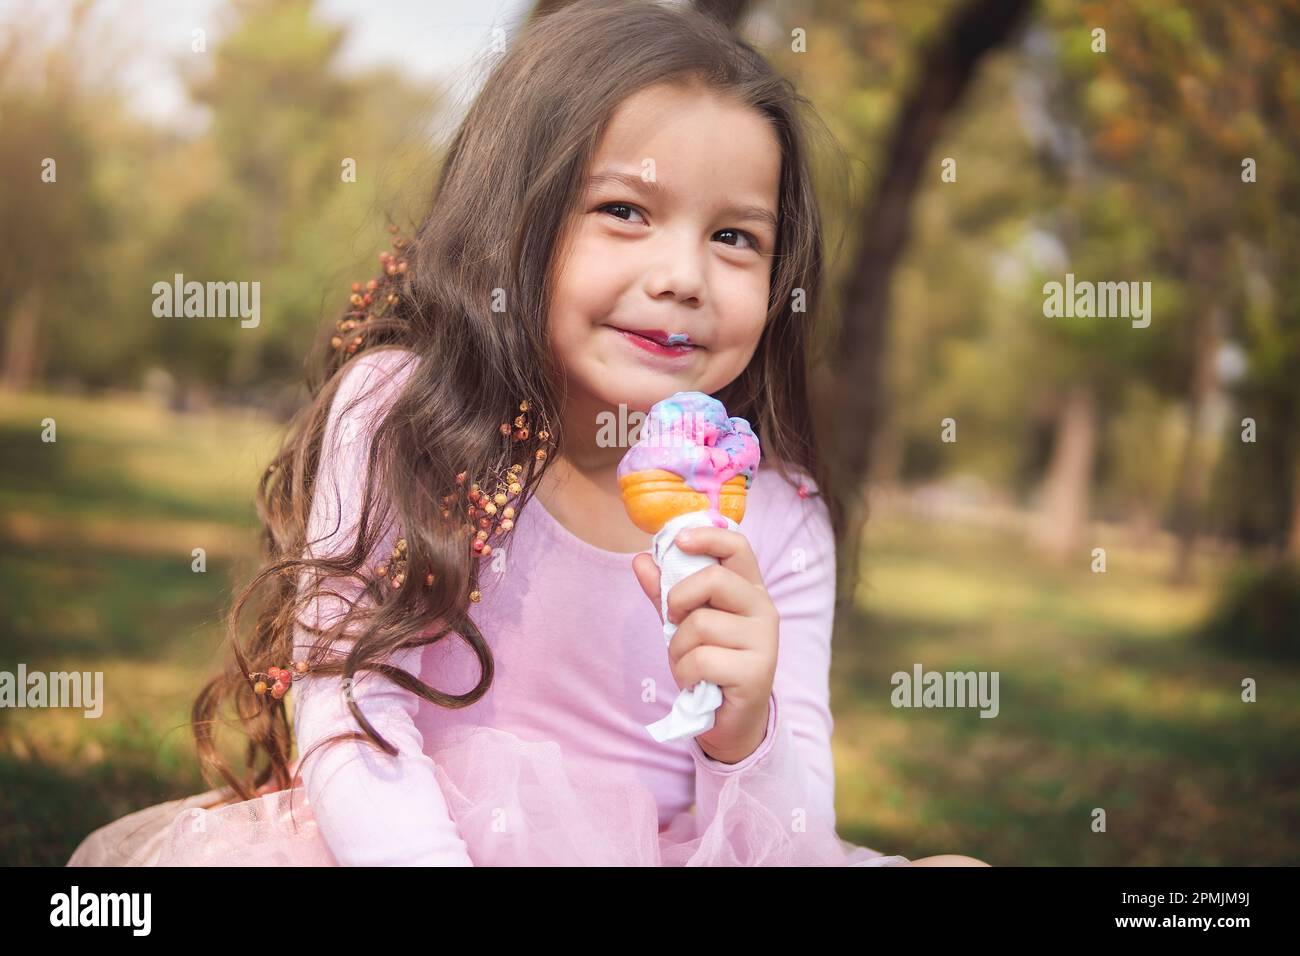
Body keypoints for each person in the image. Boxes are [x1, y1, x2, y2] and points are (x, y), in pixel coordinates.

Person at [67, 0, 985, 867]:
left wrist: (744, 735)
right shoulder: (407, 416)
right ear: (518, 223)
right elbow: (353, 712)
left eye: (736, 237)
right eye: (624, 211)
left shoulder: (779, 518)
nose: (684, 276)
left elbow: (793, 843)